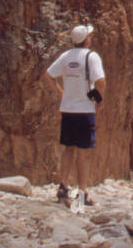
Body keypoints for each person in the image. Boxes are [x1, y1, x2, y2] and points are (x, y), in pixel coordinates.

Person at [44, 23, 105, 206]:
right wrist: (99, 100)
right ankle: (83, 192)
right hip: (85, 111)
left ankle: (63, 188)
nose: (91, 38)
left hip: (68, 110)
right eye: (89, 36)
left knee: (68, 149)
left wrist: (61, 93)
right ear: (86, 40)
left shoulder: (66, 56)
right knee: (83, 153)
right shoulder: (91, 57)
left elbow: (48, 76)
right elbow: (101, 80)